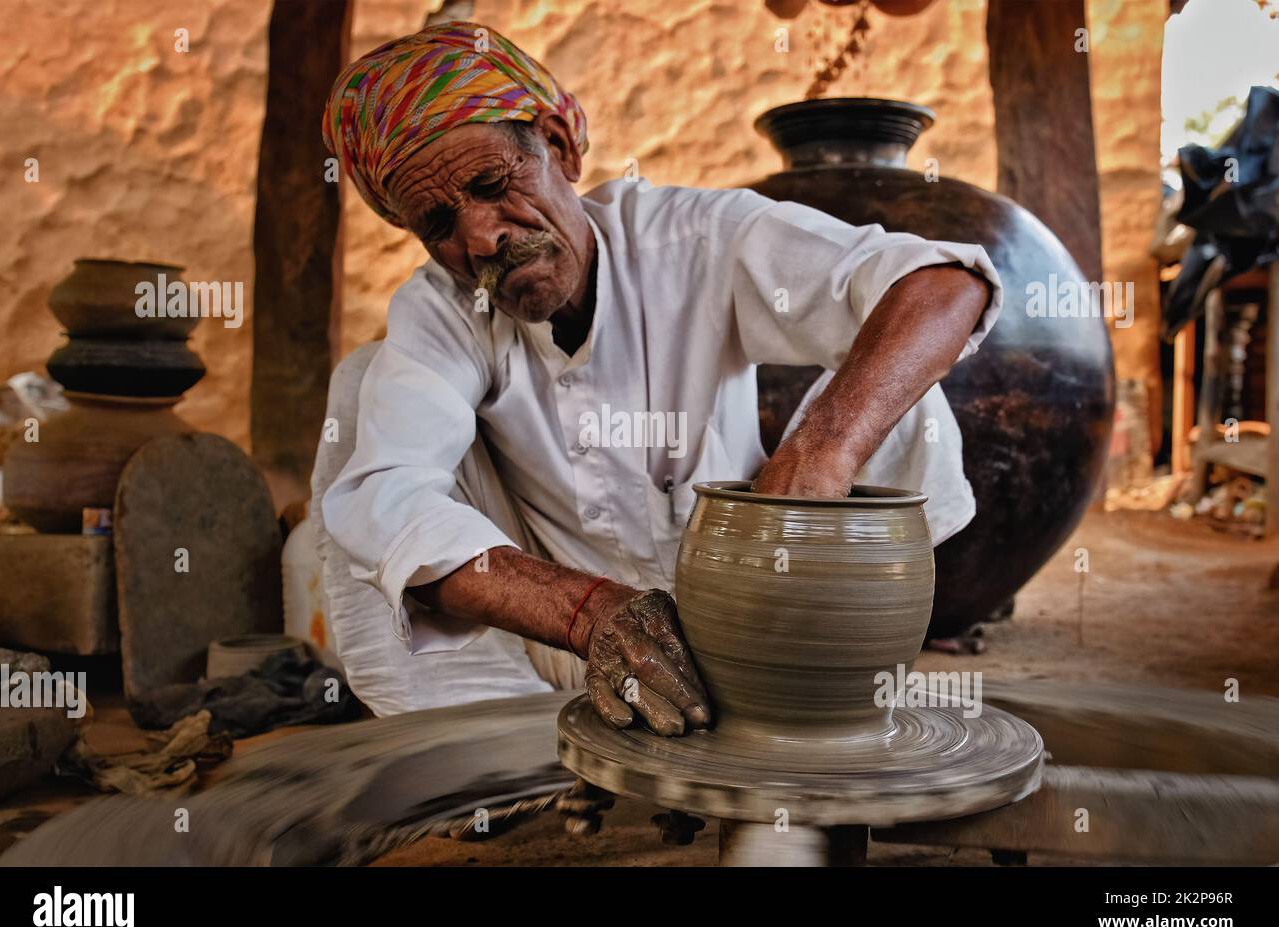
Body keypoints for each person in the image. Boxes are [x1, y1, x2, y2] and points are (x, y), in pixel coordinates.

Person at [319, 20, 1001, 733]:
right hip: (565, 639)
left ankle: (829, 692)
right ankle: (497, 763)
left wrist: (822, 449)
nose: (481, 237)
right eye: (437, 224)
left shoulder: (696, 238)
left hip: (756, 596)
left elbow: (944, 283)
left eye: (492, 184)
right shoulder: (444, 310)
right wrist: (590, 613)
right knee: (361, 398)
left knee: (898, 372)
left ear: (558, 144)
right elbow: (387, 497)